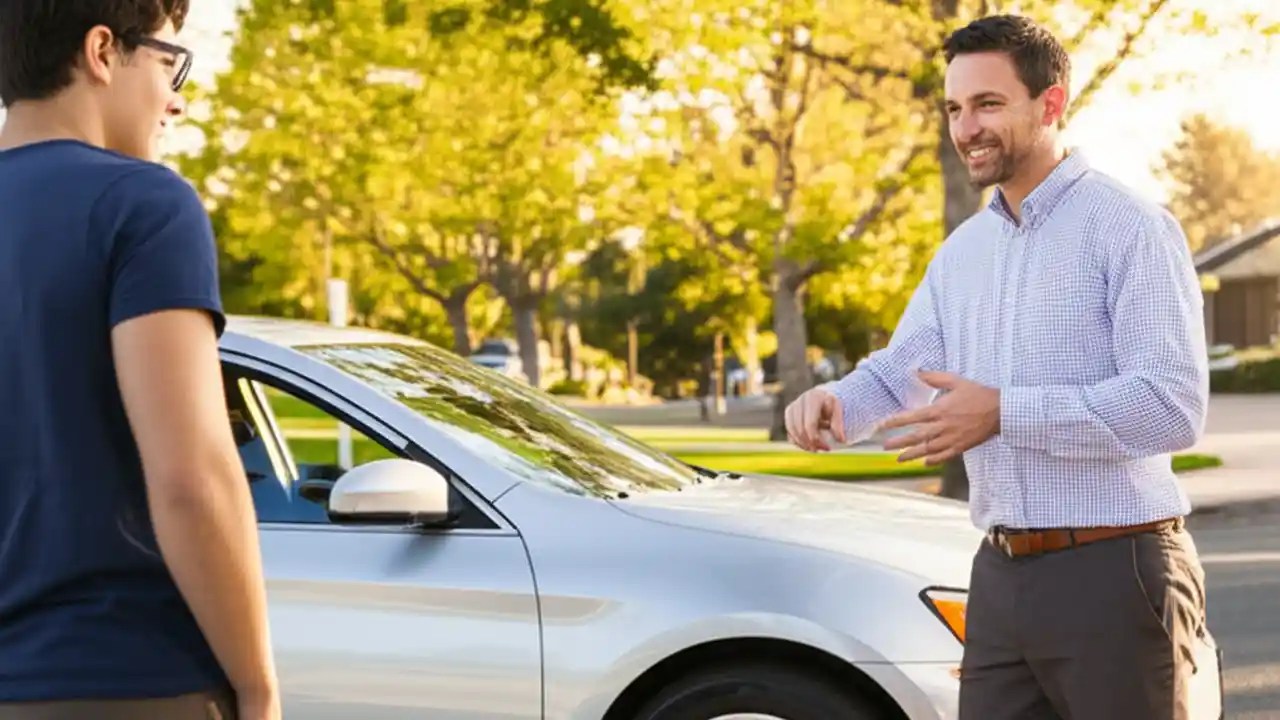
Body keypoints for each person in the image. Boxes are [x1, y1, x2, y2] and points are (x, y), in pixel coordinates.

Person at [785, 14, 1211, 720]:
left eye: (987, 104)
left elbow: (1170, 405)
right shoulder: (963, 252)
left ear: (1051, 103)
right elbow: (903, 371)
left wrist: (1006, 412)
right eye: (955, 108)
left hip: (1116, 571)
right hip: (999, 578)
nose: (966, 128)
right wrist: (836, 401)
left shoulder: (1131, 227)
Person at [0, 2, 279, 719]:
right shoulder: (143, 205)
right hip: (127, 676)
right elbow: (192, 478)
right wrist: (258, 688)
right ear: (102, 51)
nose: (177, 99)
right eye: (169, 64)